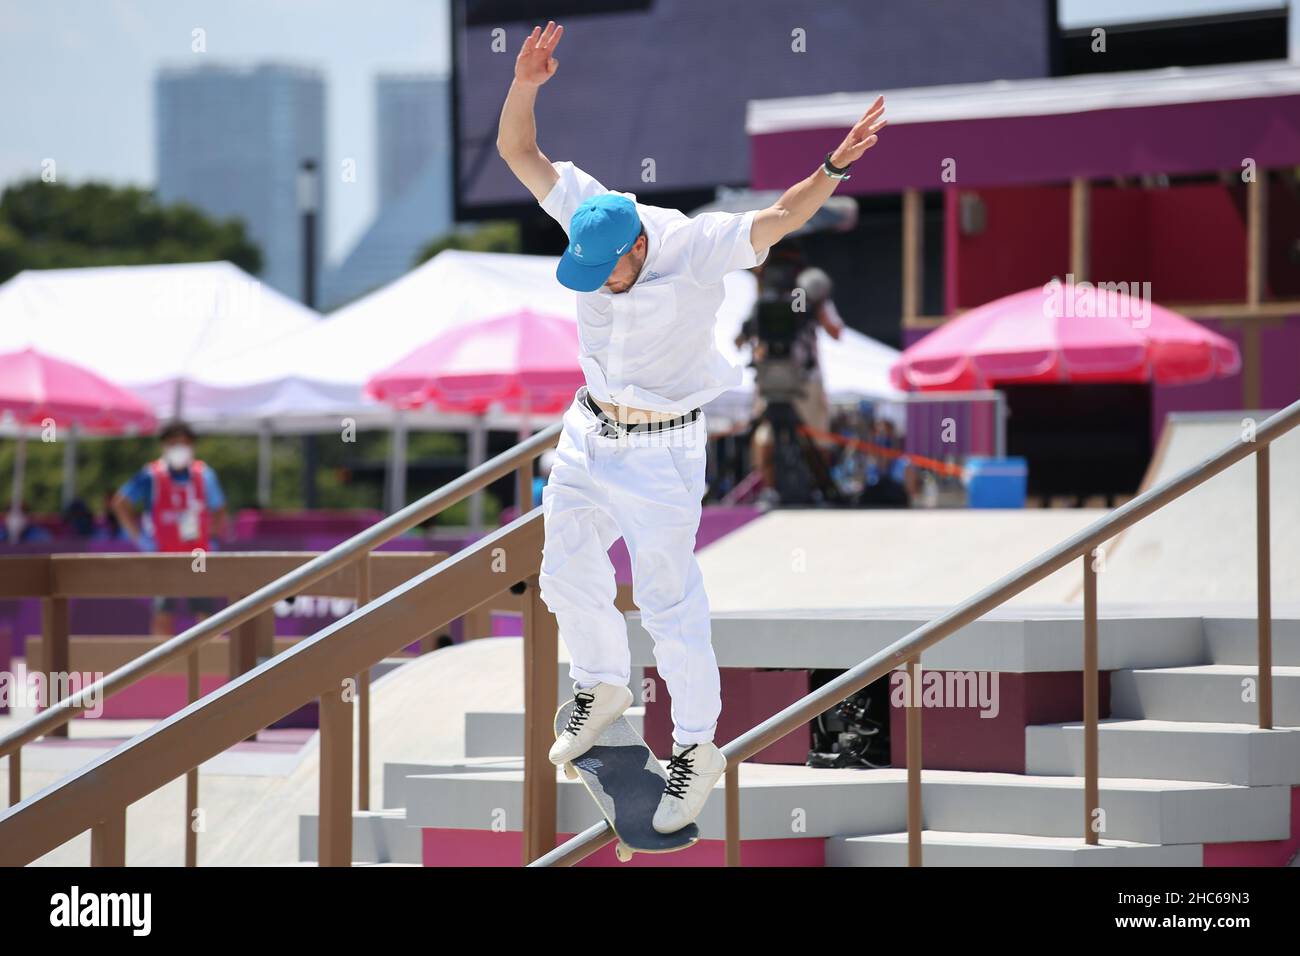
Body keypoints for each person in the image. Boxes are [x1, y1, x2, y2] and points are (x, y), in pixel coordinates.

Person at [496, 21, 886, 833]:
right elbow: (519, 153)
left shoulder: (695, 245)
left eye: (610, 275)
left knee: (671, 605)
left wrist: (837, 163)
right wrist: (526, 83)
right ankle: (602, 685)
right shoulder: (592, 214)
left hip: (662, 451)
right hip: (586, 432)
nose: (600, 286)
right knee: (563, 573)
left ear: (638, 247)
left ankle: (698, 749)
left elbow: (780, 218)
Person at [111, 421, 229, 635]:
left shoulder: (204, 474)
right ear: (164, 446)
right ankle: (162, 667)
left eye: (184, 443)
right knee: (163, 613)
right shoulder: (151, 475)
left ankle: (211, 665)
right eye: (173, 443)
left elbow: (219, 509)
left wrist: (213, 537)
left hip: (198, 555)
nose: (179, 448)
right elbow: (120, 503)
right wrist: (141, 539)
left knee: (206, 615)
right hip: (164, 554)